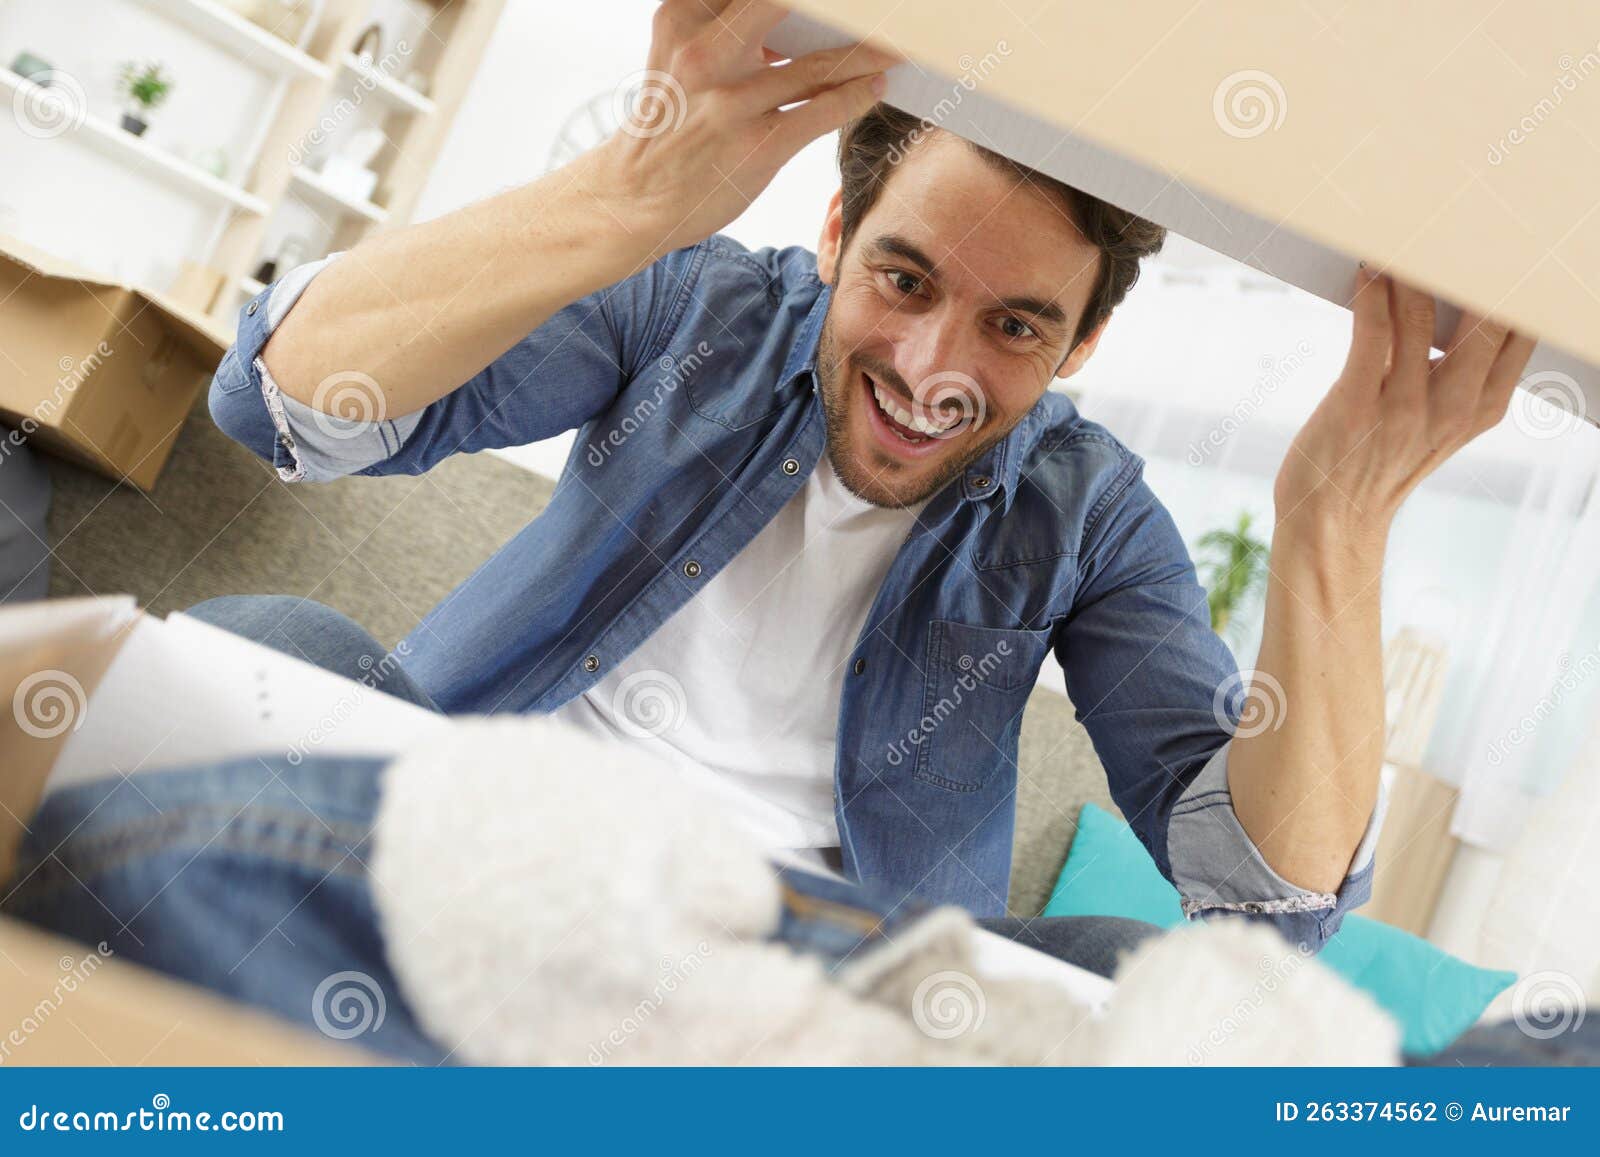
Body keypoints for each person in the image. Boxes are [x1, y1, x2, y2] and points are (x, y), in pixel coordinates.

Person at [14, 0, 1538, 1002]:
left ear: (1084, 346)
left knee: (1139, 975)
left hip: (814, 991)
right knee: (269, 640)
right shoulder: (692, 304)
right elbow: (284, 410)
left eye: (1016, 326)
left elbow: (1260, 912)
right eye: (906, 277)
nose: (934, 368)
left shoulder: (1088, 511)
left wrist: (1338, 520)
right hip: (462, 847)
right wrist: (633, 189)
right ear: (833, 230)